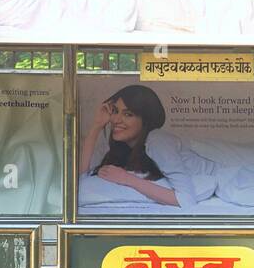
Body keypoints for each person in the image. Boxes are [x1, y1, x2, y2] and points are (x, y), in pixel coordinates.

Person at [79, 84, 208, 208]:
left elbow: (186, 199)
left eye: (128, 114)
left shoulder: (157, 141)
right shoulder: (123, 146)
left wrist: (127, 179)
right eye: (115, 111)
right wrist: (97, 126)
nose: (116, 120)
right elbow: (81, 181)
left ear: (145, 120)